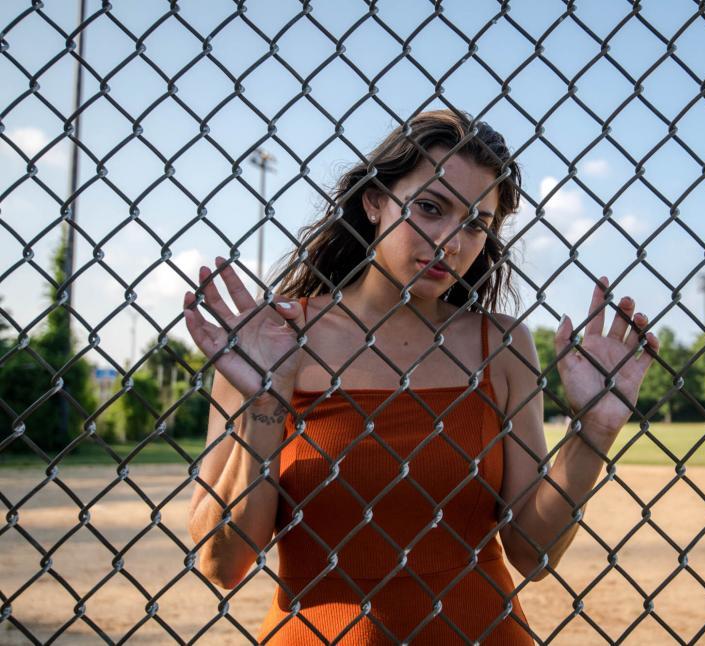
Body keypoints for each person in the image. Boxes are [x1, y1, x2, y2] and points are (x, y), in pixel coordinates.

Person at [184, 110, 659, 644]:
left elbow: (533, 552)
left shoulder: (499, 347)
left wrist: (593, 430)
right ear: (374, 201)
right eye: (431, 208)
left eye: (477, 224)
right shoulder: (270, 340)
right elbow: (222, 565)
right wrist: (266, 402)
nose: (451, 241)